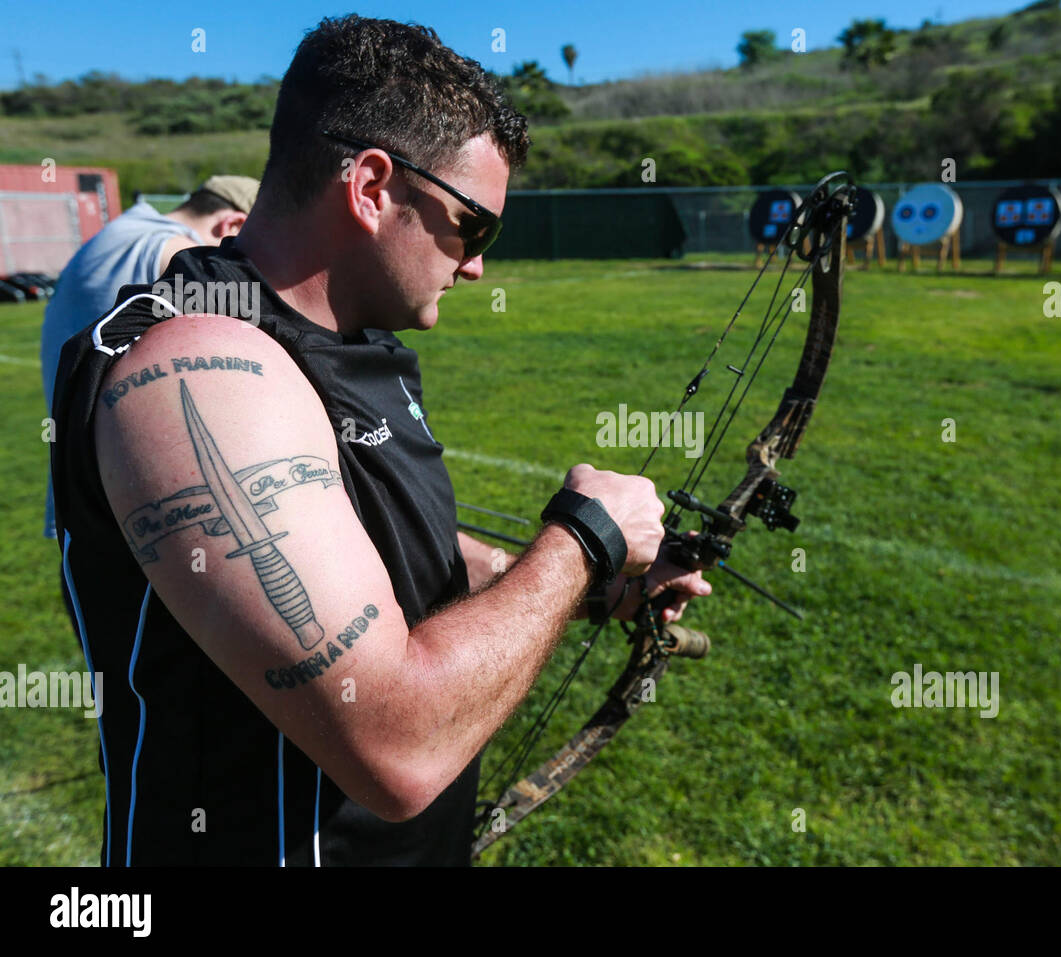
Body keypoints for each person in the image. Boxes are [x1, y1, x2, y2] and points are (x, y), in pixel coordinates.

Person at [49, 15, 709, 866]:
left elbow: (388, 556)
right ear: (371, 188)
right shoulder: (199, 371)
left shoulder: (345, 346)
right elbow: (395, 743)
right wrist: (584, 539)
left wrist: (584, 586)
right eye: (475, 225)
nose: (477, 266)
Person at [39, 175, 259, 537]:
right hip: (141, 501)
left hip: (80, 494)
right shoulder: (174, 252)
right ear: (230, 224)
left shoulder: (116, 235)